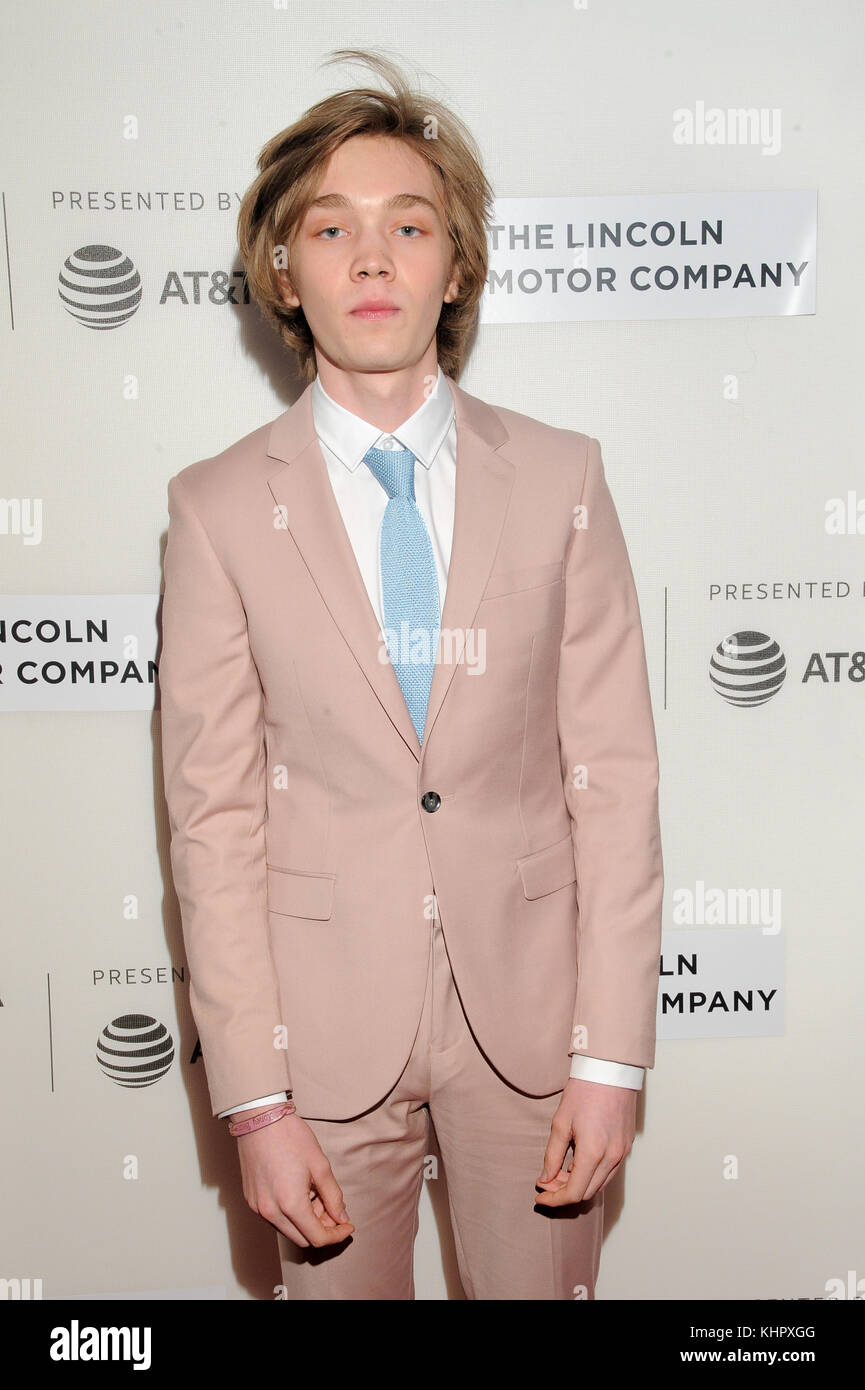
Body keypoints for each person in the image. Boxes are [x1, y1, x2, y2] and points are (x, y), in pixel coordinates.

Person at [159, 48, 664, 1300]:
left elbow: (614, 781)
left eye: (409, 224)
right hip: (317, 1047)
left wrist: (611, 1060)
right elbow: (212, 818)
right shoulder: (216, 509)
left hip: (537, 1029)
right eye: (330, 228)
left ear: (457, 262)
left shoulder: (561, 479)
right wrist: (254, 1102)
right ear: (286, 270)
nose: (371, 259)